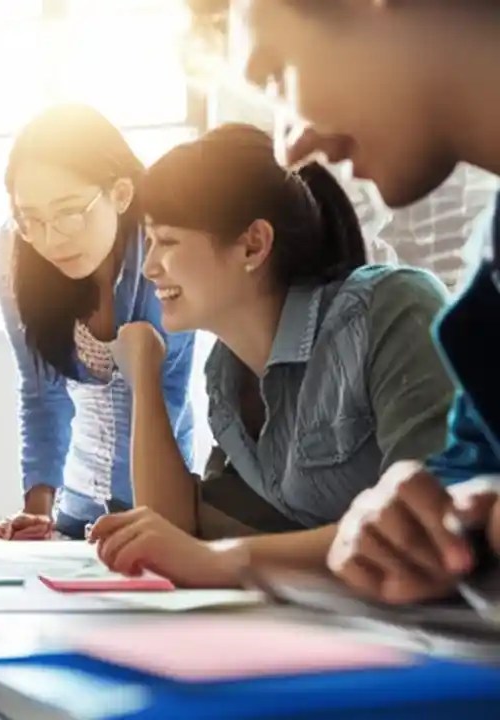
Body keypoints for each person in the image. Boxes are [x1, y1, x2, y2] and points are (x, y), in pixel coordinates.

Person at [205, 0, 500, 605]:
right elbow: (466, 476)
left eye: (278, 75)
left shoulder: (389, 305)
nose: (290, 147)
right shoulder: (489, 275)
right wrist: (394, 523)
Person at [85, 124, 455, 587]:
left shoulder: (390, 308)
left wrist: (228, 560)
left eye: (169, 240)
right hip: (346, 624)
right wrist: (144, 371)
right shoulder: (225, 373)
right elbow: (178, 532)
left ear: (253, 244)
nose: (149, 265)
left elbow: (431, 522)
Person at [0, 104, 196, 541]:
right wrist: (39, 510)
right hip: (75, 511)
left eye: (68, 212)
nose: (50, 238)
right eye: (32, 218)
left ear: (120, 195)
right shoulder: (17, 252)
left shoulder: (164, 255)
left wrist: (144, 516)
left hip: (156, 506)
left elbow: (167, 395)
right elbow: (42, 393)